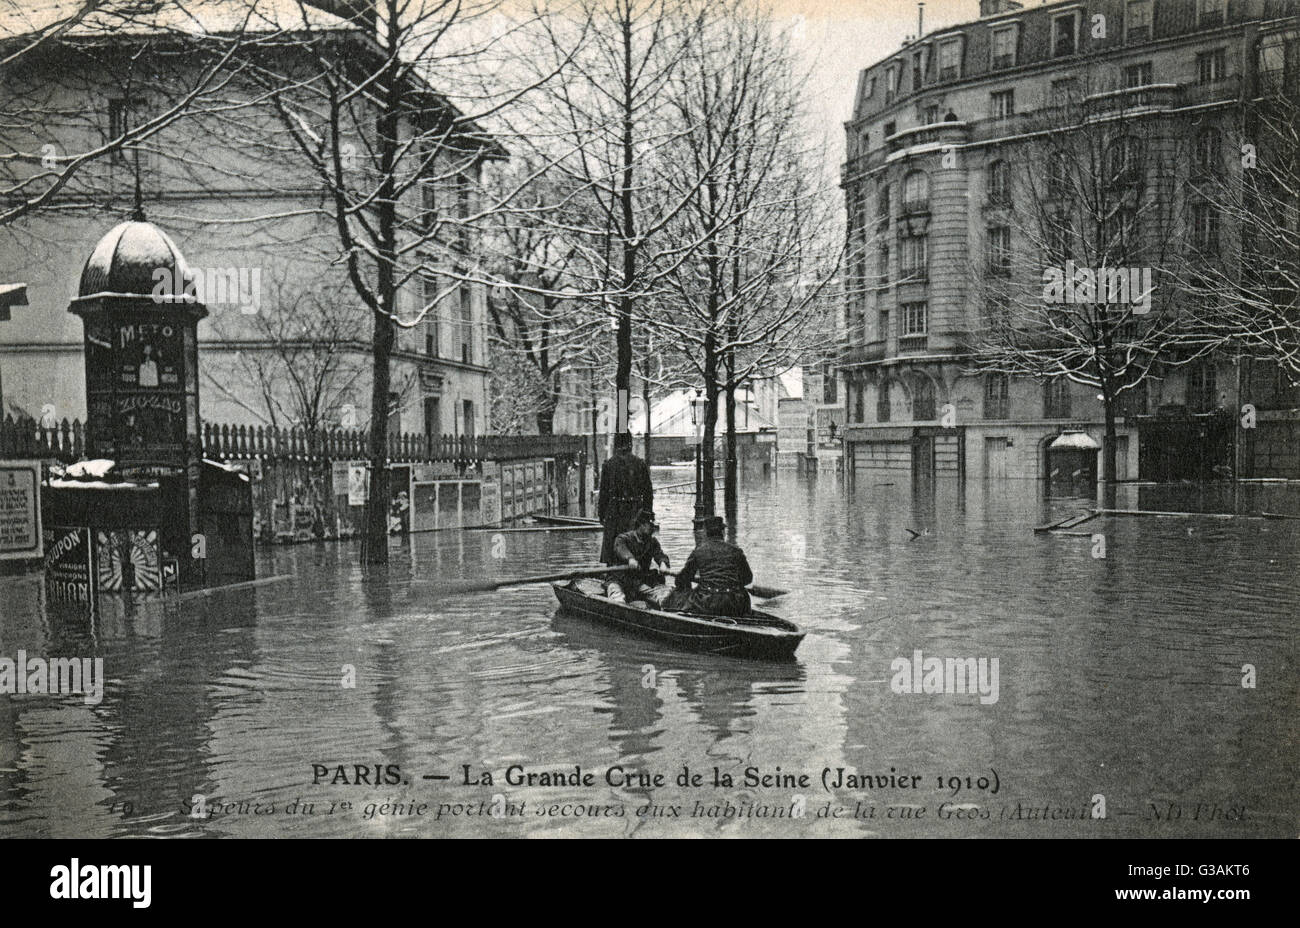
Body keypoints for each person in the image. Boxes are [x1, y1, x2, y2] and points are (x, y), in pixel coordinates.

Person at [666, 515, 753, 617]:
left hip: (707, 603)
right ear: (723, 533)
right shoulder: (736, 551)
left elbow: (682, 579)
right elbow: (747, 579)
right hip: (735, 604)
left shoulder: (699, 551)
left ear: (706, 533)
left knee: (678, 594)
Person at [597, 432, 653, 565]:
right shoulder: (640, 464)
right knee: (635, 544)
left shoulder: (608, 465)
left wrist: (601, 515)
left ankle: (613, 575)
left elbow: (603, 494)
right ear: (630, 444)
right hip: (635, 512)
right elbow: (648, 492)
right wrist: (647, 514)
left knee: (613, 547)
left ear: (616, 444)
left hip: (614, 512)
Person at [604, 509, 672, 607]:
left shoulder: (652, 542)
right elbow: (621, 549)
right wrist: (630, 559)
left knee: (665, 598)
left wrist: (663, 563)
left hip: (639, 581)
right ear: (641, 525)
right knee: (617, 598)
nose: (653, 529)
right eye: (650, 526)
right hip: (619, 579)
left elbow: (659, 554)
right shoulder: (623, 539)